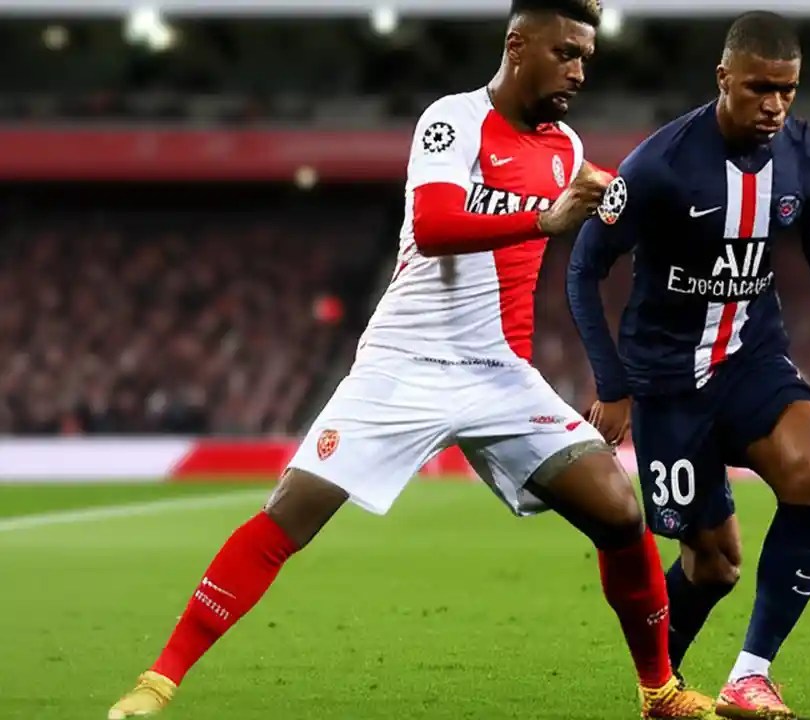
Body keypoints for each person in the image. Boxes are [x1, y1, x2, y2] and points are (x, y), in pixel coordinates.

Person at [108, 2, 717, 718]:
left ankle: (659, 692)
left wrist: (682, 212)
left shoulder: (564, 146)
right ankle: (156, 684)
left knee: (618, 511)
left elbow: (618, 201)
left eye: (586, 56)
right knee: (291, 513)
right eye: (566, 53)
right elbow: (432, 227)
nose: (579, 71)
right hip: (405, 362)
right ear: (518, 46)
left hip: (500, 374)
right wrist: (544, 219)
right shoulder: (451, 120)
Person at [566, 12, 810, 719]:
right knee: (713, 565)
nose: (774, 105)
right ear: (723, 79)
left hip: (752, 360)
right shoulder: (660, 164)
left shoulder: (806, 158)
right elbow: (584, 267)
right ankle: (661, 686)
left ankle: (751, 674)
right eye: (759, 89)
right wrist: (613, 384)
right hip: (666, 383)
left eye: (788, 90)